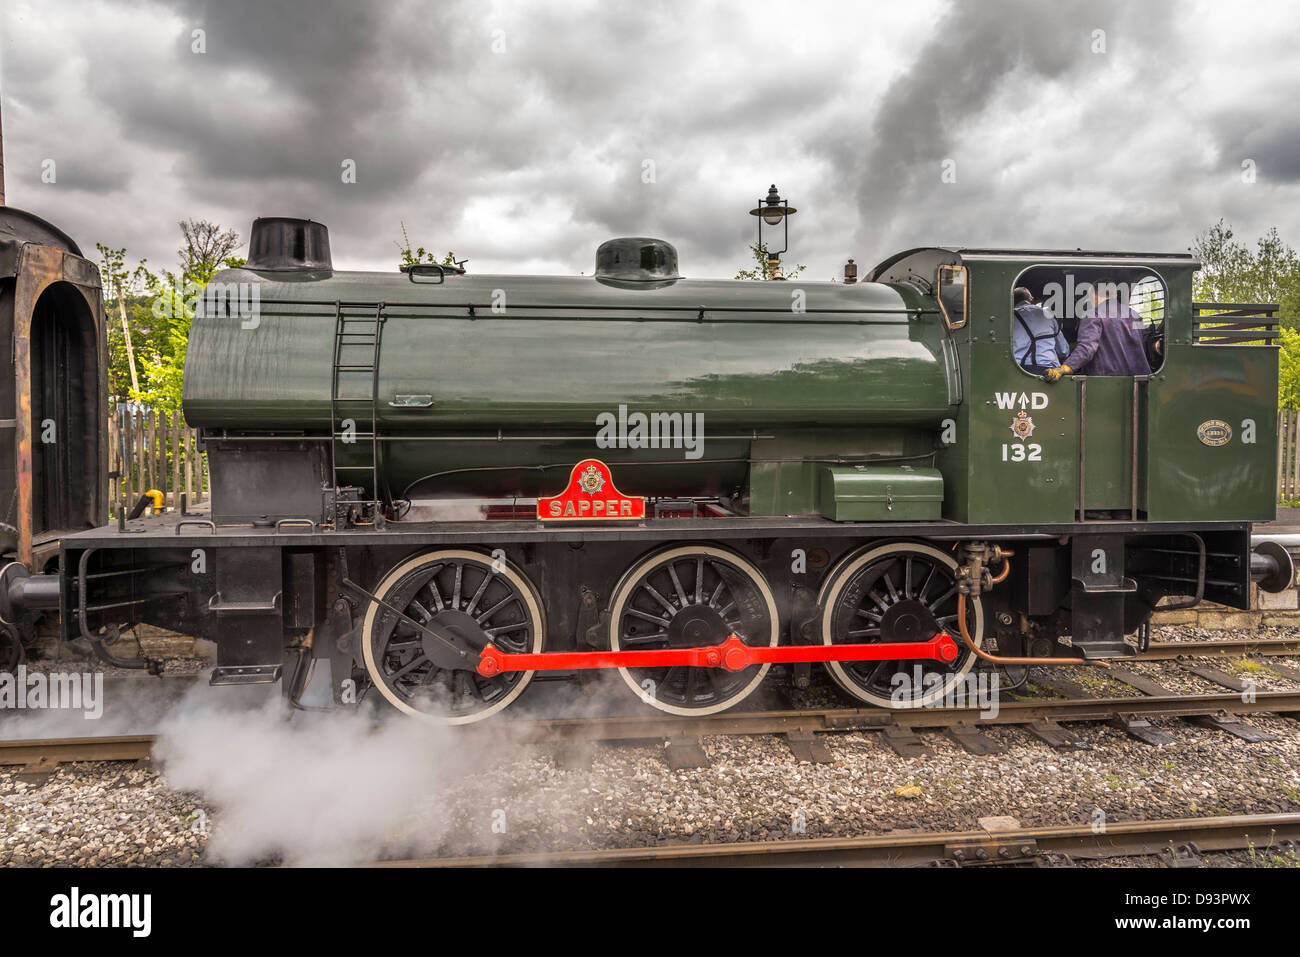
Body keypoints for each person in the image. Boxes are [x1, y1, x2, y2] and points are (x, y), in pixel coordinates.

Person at [1045, 282, 1152, 380]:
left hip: (1105, 381)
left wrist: (1064, 368)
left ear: (1093, 295)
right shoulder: (1135, 315)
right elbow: (1143, 345)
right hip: (1139, 381)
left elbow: (1087, 348)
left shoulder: (1093, 315)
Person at [1011, 287, 1069, 375]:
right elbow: (1063, 351)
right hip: (1047, 371)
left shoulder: (1009, 318)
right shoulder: (1049, 315)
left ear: (1012, 302)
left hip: (1017, 370)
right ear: (1032, 300)